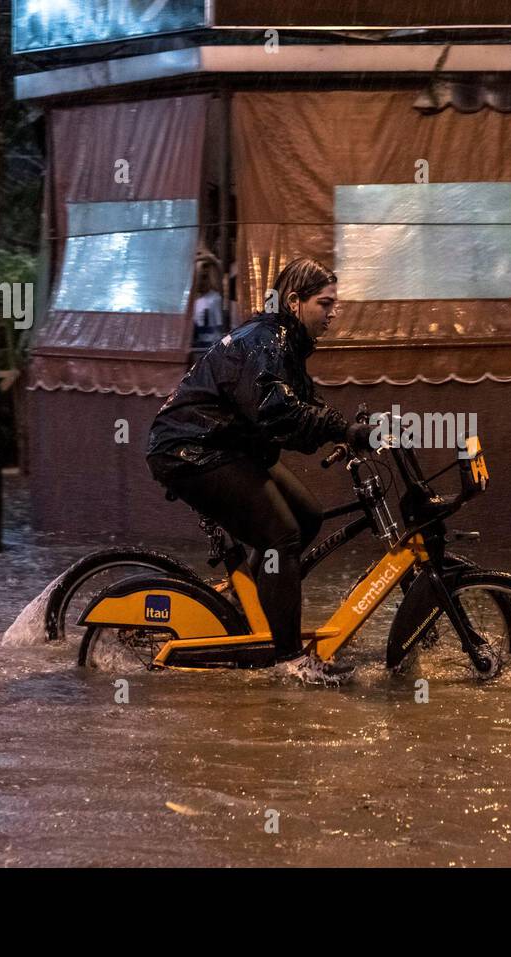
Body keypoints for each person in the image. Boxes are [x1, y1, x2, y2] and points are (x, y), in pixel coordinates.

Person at [146, 257, 374, 685]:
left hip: (227, 445)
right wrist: (337, 427)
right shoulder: (265, 342)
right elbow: (278, 412)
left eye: (334, 304)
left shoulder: (285, 340)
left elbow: (300, 401)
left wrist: (347, 428)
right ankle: (289, 661)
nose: (334, 313)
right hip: (191, 451)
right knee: (281, 535)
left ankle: (249, 597)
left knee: (307, 517)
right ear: (294, 300)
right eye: (325, 303)